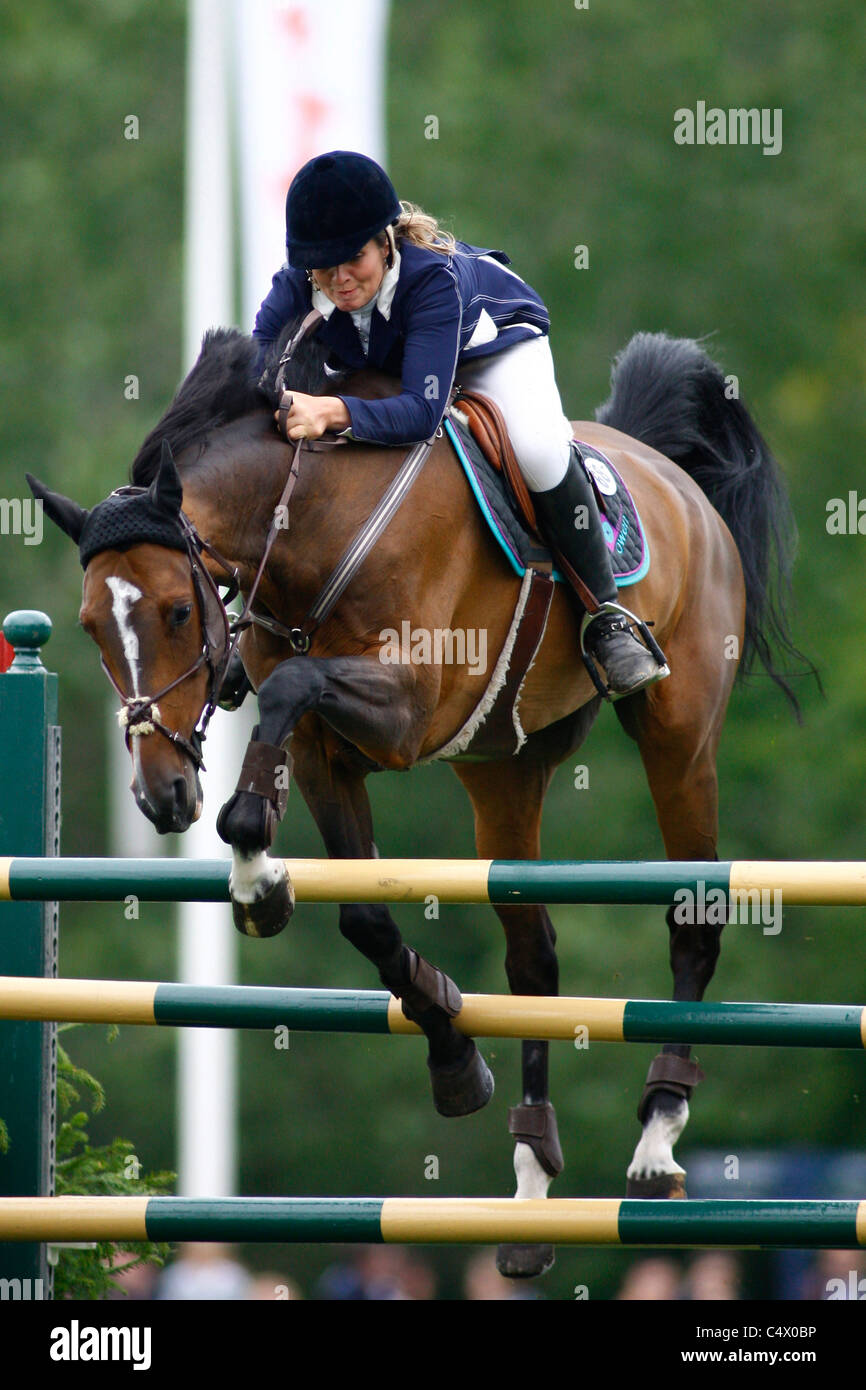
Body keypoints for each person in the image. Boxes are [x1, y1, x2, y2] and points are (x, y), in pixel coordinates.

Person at [253, 150, 667, 696]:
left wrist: (328, 410)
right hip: (389, 363)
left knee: (539, 450)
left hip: (491, 349)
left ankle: (608, 615)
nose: (339, 279)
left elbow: (422, 411)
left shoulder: (430, 280)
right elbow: (257, 377)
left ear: (385, 241)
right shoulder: (298, 286)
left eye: (352, 258)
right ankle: (262, 622)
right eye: (322, 266)